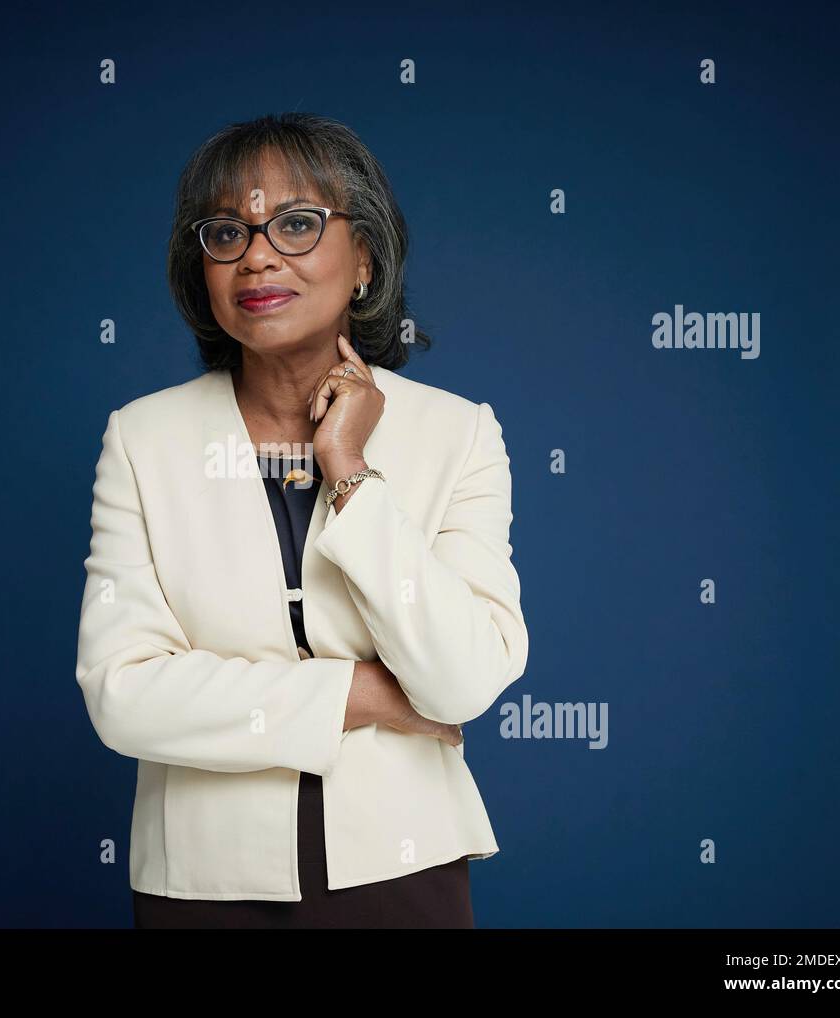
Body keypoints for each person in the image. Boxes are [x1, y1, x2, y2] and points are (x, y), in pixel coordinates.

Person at [75, 112, 529, 928]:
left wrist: (349, 471)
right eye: (227, 232)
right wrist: (358, 694)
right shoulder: (143, 439)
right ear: (203, 271)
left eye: (296, 223)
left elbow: (463, 680)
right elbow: (125, 694)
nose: (256, 255)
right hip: (204, 885)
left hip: (405, 869)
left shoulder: (456, 433)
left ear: (363, 257)